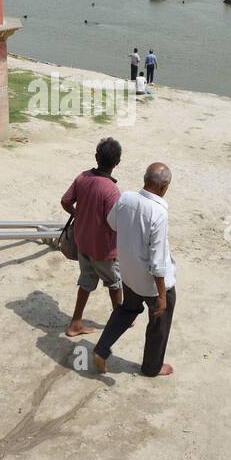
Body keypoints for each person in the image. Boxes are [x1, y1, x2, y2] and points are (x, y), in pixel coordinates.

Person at [93, 162, 177, 378]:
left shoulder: (127, 197)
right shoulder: (159, 212)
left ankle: (101, 350)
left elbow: (112, 223)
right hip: (151, 282)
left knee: (126, 310)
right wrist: (161, 295)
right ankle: (152, 367)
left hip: (129, 274)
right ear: (164, 185)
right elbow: (158, 261)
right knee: (159, 320)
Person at [60, 138, 124, 338]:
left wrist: (79, 215)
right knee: (114, 282)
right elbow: (115, 222)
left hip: (83, 243)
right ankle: (120, 319)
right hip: (103, 248)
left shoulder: (82, 178)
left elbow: (65, 201)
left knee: (86, 281)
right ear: (118, 162)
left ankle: (76, 322)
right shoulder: (111, 190)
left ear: (96, 157)